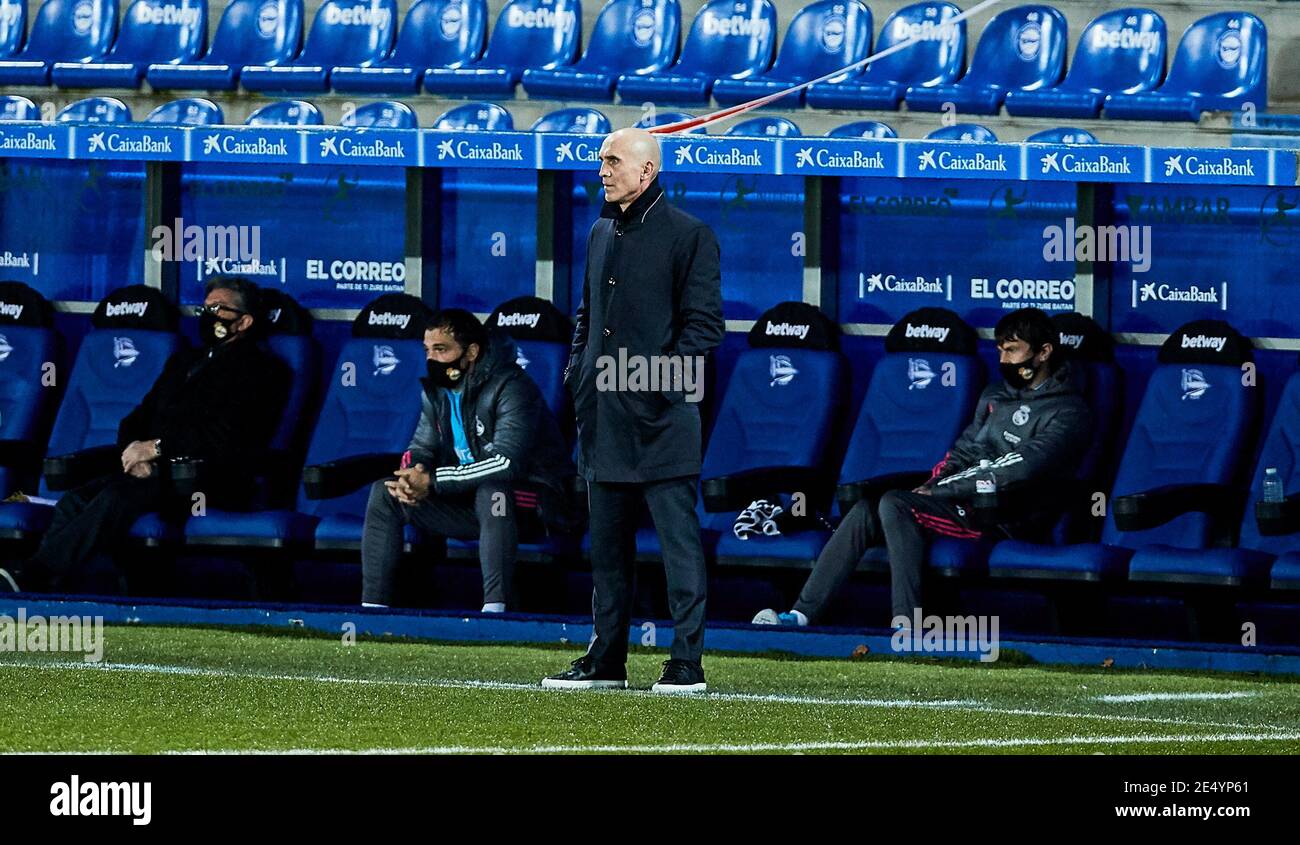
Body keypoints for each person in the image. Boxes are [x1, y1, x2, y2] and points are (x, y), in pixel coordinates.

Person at [752, 307, 1093, 628]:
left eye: (1013, 351)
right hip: (962, 503)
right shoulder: (996, 396)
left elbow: (1018, 467)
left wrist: (939, 490)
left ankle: (907, 625)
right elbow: (964, 450)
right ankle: (799, 616)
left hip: (1004, 515)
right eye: (1000, 350)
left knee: (896, 504)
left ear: (1044, 352)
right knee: (864, 510)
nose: (1003, 360)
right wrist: (937, 481)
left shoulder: (1068, 412)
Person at [542, 127, 725, 693]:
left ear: (646, 172)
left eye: (612, 161)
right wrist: (579, 374)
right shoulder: (599, 232)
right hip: (601, 421)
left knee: (679, 550)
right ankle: (606, 662)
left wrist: (652, 385)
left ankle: (686, 663)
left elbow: (704, 330)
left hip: (663, 420)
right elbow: (585, 317)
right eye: (601, 160)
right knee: (607, 556)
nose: (601, 170)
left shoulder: (691, 235)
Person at [0, 276, 288, 593]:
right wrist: (133, 452)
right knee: (75, 500)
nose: (208, 316)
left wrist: (157, 449)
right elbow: (137, 418)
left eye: (218, 308)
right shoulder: (186, 361)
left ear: (244, 321)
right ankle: (50, 590)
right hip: (153, 473)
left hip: (205, 481)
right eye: (204, 308)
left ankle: (32, 577)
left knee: (116, 497)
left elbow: (227, 438)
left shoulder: (261, 370)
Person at [360, 309, 576, 612]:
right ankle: (372, 611)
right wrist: (412, 475)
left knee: (494, 493)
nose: (432, 359)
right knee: (386, 493)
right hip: (471, 501)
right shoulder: (437, 390)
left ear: (471, 351)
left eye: (441, 349)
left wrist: (434, 481)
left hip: (538, 506)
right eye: (427, 350)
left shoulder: (512, 386)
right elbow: (421, 446)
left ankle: (495, 612)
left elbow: (506, 463)